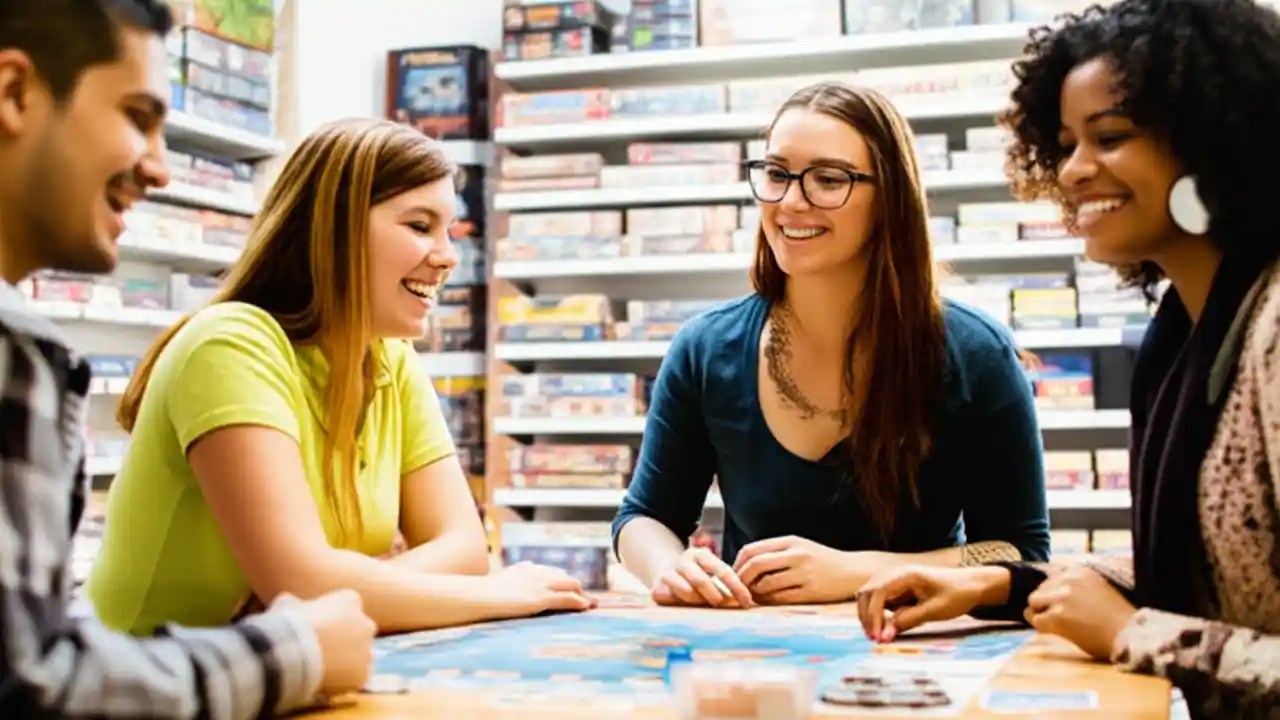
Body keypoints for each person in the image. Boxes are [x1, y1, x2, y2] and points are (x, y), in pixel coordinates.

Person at [853, 1, 1280, 716]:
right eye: (1065, 144)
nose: (1075, 171)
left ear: (1215, 141)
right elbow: (1214, 566)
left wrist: (1132, 633)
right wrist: (1001, 586)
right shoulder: (1186, 327)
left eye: (1110, 137)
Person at [0, 1, 378, 716]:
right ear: (15, 94)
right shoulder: (14, 349)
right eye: (137, 117)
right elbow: (30, 685)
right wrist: (294, 651)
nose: (160, 169)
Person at [85, 116, 596, 638]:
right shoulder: (230, 344)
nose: (446, 258)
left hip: (271, 680)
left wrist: (330, 597)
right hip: (137, 691)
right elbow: (301, 583)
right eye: (420, 226)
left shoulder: (389, 359)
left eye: (449, 231)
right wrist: (492, 593)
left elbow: (464, 548)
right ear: (334, 229)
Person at [613, 81, 1052, 610]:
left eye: (827, 179)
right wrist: (671, 568)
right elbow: (644, 517)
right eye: (776, 174)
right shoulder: (705, 349)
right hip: (755, 658)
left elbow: (1021, 553)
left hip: (921, 655)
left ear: (889, 197)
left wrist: (856, 571)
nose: (791, 201)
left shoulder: (975, 354)